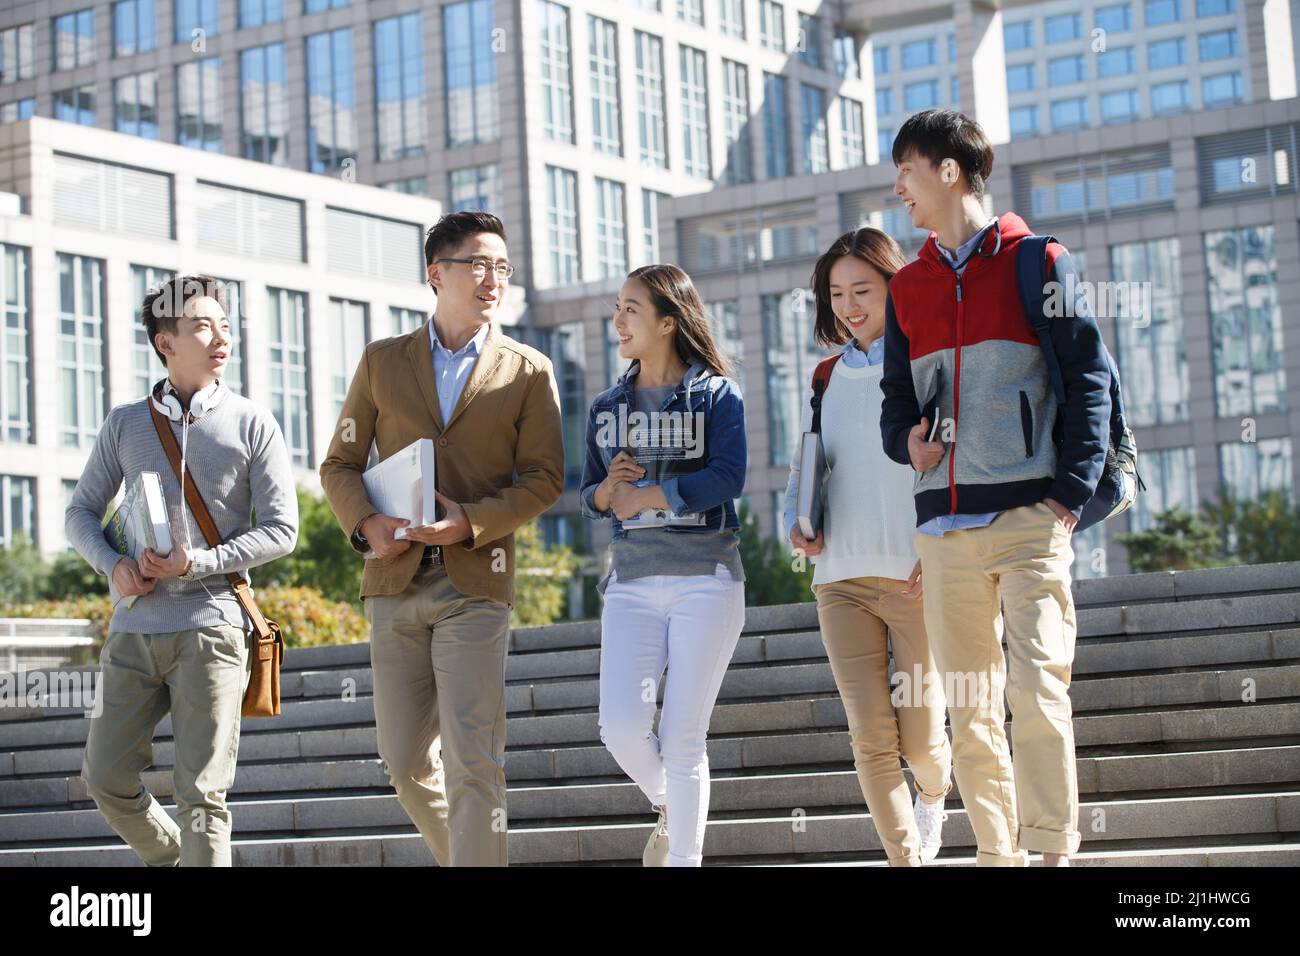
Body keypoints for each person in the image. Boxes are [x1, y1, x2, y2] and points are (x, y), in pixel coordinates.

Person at [880, 109, 1112, 866]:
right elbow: (895, 402)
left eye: (907, 170)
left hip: (1028, 515)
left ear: (950, 171)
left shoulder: (1039, 261)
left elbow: (1090, 381)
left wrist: (1069, 494)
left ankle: (1051, 850)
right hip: (944, 527)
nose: (899, 187)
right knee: (971, 709)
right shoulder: (906, 286)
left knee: (1038, 690)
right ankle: (997, 853)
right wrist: (904, 442)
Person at [320, 211, 564, 867]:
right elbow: (338, 463)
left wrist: (470, 523)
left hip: (476, 582)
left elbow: (545, 480)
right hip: (394, 580)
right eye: (478, 264)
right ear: (437, 274)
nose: (493, 278)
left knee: (472, 755)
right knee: (402, 763)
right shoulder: (381, 362)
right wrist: (365, 525)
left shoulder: (528, 370)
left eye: (502, 267)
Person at [66, 274, 299, 866]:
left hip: (213, 627)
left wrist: (198, 562)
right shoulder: (124, 423)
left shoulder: (253, 423)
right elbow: (80, 512)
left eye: (224, 324)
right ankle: (175, 859)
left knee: (202, 795)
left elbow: (282, 530)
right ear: (165, 340)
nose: (221, 336)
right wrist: (113, 565)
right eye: (202, 325)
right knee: (104, 778)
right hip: (133, 629)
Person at [781, 227, 953, 865]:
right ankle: (904, 857)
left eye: (863, 290)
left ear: (894, 287)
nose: (849, 306)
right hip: (840, 579)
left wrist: (938, 547)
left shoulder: (924, 362)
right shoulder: (825, 375)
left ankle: (935, 792)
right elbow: (809, 465)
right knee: (870, 737)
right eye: (837, 293)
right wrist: (796, 524)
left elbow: (946, 466)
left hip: (915, 575)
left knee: (922, 738)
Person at [581, 264, 747, 867]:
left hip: (707, 579)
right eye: (617, 307)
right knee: (621, 728)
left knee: (682, 739)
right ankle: (673, 805)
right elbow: (589, 495)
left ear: (668, 322)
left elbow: (729, 477)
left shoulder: (718, 396)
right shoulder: (606, 406)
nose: (617, 321)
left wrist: (650, 494)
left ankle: (683, 857)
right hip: (631, 582)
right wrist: (608, 492)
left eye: (631, 309)